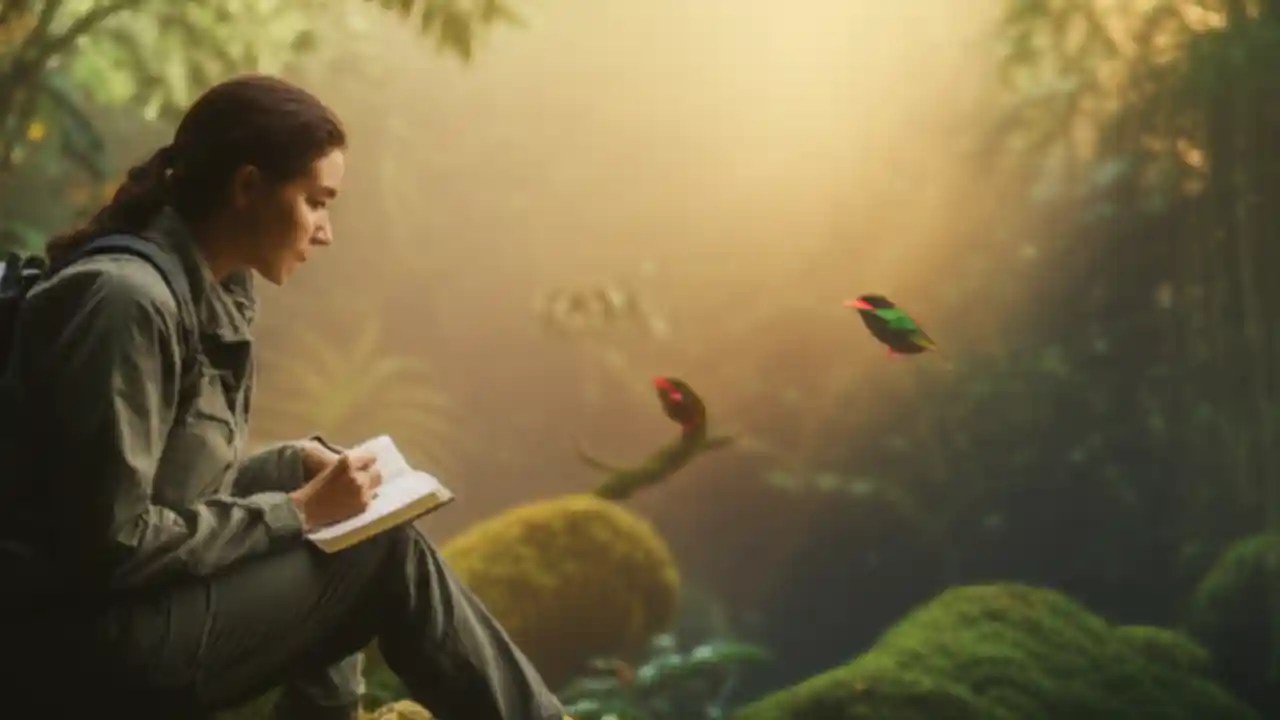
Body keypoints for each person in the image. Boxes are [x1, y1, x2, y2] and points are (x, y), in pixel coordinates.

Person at [0, 74, 569, 720]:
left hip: (126, 614)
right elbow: (110, 544)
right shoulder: (127, 303)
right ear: (247, 188)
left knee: (354, 520)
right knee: (383, 551)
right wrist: (294, 512)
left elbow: (169, 494)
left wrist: (290, 470)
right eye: (316, 201)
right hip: (74, 649)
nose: (325, 231)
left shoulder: (211, 295)